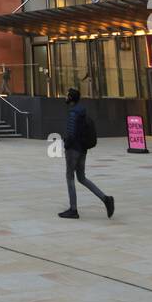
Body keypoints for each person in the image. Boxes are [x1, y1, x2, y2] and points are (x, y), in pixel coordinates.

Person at [58, 87, 114, 221]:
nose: (65, 97)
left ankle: (73, 209)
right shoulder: (82, 111)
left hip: (73, 150)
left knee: (69, 177)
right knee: (82, 177)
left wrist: (66, 144)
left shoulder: (73, 113)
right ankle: (106, 199)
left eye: (67, 95)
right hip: (82, 149)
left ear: (71, 98)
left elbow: (71, 133)